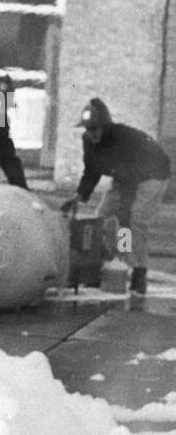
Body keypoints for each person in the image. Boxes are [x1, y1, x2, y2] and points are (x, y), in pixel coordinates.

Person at [60, 98, 171, 295]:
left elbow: (130, 186)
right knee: (100, 215)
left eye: (94, 129)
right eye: (87, 128)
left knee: (134, 220)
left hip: (151, 175)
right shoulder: (89, 141)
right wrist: (79, 196)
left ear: (105, 126)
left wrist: (124, 220)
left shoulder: (123, 140)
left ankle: (136, 271)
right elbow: (92, 171)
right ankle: (99, 265)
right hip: (124, 177)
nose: (91, 133)